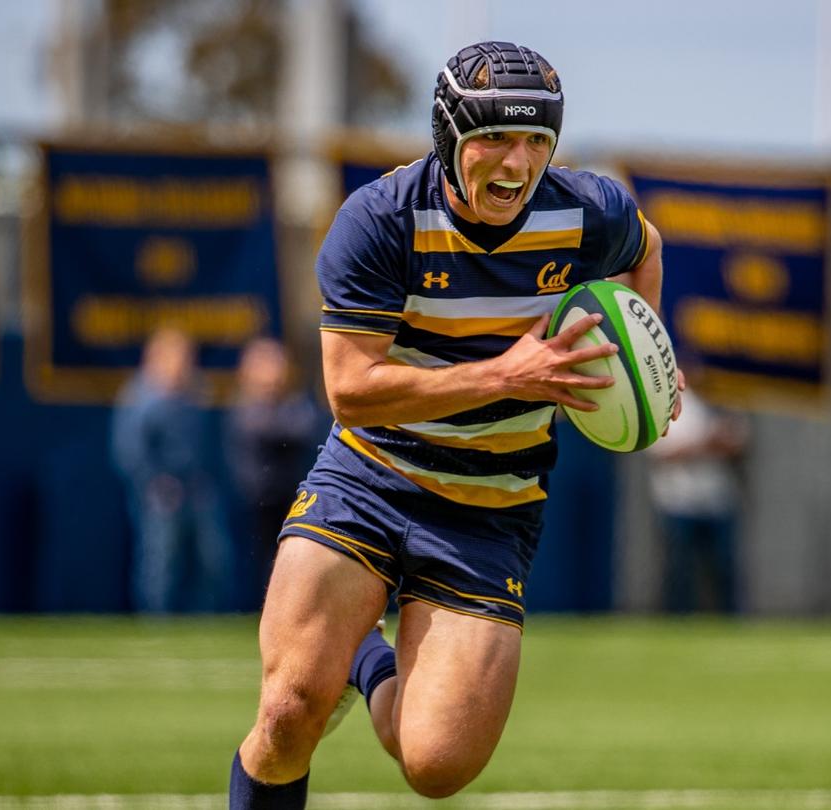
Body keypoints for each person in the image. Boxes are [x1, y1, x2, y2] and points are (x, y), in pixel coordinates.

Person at [229, 41, 677, 808]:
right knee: (288, 712)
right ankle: (337, 664)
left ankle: (365, 661)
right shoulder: (381, 221)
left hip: (492, 506)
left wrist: (641, 361)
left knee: (436, 766)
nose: (518, 162)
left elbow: (647, 249)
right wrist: (508, 375)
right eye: (495, 137)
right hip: (369, 480)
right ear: (449, 135)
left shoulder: (587, 212)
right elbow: (351, 392)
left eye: (536, 139)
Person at [111, 327, 232, 613]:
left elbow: (209, 446)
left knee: (213, 559)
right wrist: (155, 483)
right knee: (159, 563)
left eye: (187, 357)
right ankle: (156, 621)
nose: (183, 363)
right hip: (161, 493)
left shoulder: (196, 394)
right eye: (176, 356)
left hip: (198, 489)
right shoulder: (140, 398)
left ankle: (208, 621)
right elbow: (129, 451)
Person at [225, 337, 324, 610]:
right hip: (256, 498)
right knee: (257, 561)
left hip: (288, 495)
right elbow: (270, 432)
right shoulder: (246, 404)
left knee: (288, 559)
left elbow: (304, 430)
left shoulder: (291, 402)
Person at [648, 387, 748, 613]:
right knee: (679, 570)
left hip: (717, 500)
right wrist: (706, 441)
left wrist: (700, 444)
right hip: (678, 500)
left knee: (724, 568)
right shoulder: (667, 399)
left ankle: (729, 621)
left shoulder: (724, 398)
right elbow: (664, 452)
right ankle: (676, 621)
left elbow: (739, 443)